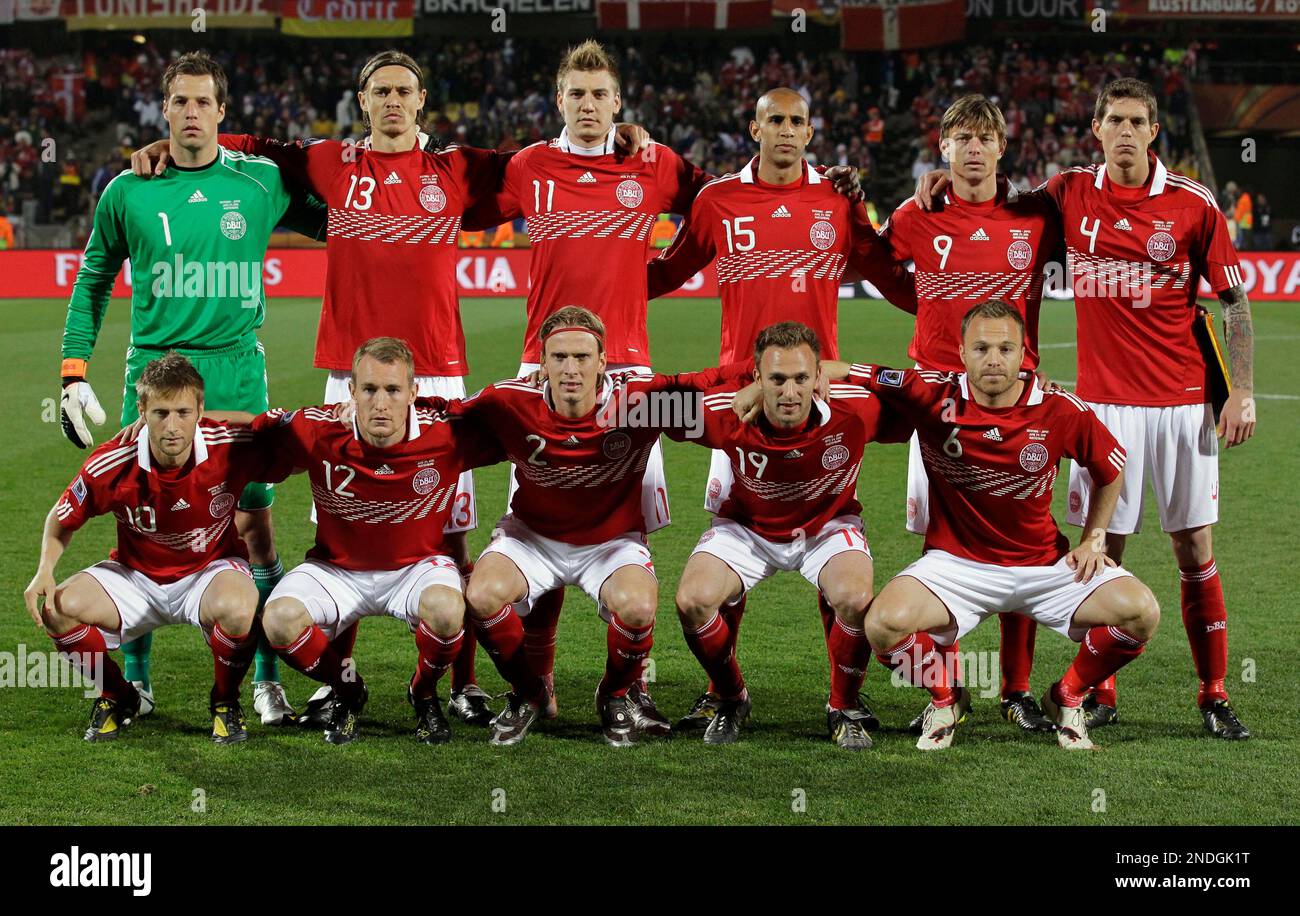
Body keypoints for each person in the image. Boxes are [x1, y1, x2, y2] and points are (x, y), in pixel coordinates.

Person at [130, 50, 651, 730]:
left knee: (453, 529)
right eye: (381, 91)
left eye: (405, 90)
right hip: (352, 373)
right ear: (363, 100)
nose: (394, 101)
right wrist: (168, 145)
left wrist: (623, 138)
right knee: (339, 523)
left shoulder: (458, 168)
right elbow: (253, 146)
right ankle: (335, 683)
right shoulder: (329, 164)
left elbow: (549, 159)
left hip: (436, 370)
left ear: (422, 100)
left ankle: (458, 683)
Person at [914, 79, 1257, 739]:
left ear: (1154, 131)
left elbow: (1234, 301)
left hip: (1183, 406)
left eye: (1137, 121)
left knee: (1194, 547)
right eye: (1114, 121)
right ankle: (1095, 690)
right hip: (1102, 406)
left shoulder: (1192, 203)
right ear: (1095, 128)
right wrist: (945, 175)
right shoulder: (1070, 193)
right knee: (1100, 550)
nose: (1125, 132)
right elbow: (995, 202)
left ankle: (1213, 693)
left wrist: (1238, 390)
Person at [61, 51, 326, 726]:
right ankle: (138, 684)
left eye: (203, 101)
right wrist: (72, 372)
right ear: (164, 109)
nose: (190, 113)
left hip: (237, 371)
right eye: (178, 102)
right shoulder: (127, 190)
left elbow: (340, 218)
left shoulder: (261, 182)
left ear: (221, 111)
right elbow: (93, 280)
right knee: (140, 523)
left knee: (255, 528)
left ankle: (265, 683)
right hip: (153, 376)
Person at [645, 87, 915, 730]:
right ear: (755, 129)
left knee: (834, 549)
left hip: (816, 396)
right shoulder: (719, 201)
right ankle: (725, 692)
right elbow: (668, 271)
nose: (788, 131)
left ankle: (844, 699)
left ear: (811, 132)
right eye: (776, 121)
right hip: (737, 400)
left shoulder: (838, 201)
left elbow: (891, 276)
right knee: (731, 535)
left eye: (798, 121)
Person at [836, 301, 1161, 750]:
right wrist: (788, 379)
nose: (994, 359)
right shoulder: (931, 394)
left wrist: (1094, 538)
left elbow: (1111, 468)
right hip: (956, 567)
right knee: (882, 627)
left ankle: (1066, 695)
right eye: (982, 348)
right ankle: (947, 698)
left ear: (1024, 353)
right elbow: (851, 371)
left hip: (1046, 566)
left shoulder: (1058, 408)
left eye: (1006, 348)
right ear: (961, 352)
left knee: (1142, 613)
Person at [442, 307, 733, 747]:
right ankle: (529, 693)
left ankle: (615, 694)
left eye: (582, 357)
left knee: (636, 609)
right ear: (542, 362)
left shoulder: (637, 403)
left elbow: (704, 385)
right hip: (531, 538)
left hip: (611, 543)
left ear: (602, 361)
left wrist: (766, 380)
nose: (570, 369)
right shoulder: (510, 402)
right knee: (481, 596)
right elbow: (443, 416)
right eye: (558, 357)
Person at [882, 94, 1063, 733]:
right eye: (962, 138)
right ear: (945, 147)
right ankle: (947, 689)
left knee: (1024, 545)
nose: (974, 148)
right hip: (939, 407)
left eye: (986, 136)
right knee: (944, 548)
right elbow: (877, 264)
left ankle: (1015, 689)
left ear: (1002, 146)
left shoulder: (1036, 215)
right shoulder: (916, 214)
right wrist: (923, 299)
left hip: (1019, 407)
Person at [24, 354, 294, 744]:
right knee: (56, 609)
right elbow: (60, 519)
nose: (172, 427)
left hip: (208, 572)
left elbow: (288, 434)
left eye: (184, 412)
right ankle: (118, 695)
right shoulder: (113, 461)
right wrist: (44, 570)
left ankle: (224, 701)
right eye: (161, 412)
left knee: (240, 607)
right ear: (142, 410)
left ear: (201, 409)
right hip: (136, 577)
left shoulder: (229, 446)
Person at [250, 338, 505, 745]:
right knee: (278, 620)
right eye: (369, 390)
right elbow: (249, 429)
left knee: (447, 610)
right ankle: (349, 690)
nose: (380, 402)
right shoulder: (319, 428)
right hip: (336, 568)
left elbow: (511, 418)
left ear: (413, 393)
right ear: (350, 392)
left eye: (393, 390)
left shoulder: (447, 434)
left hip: (417, 567)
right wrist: (173, 423)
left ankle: (423, 694)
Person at [673, 321, 908, 748]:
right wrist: (573, 388)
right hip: (747, 528)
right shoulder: (724, 412)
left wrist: (849, 370)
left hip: (827, 527)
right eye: (776, 379)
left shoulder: (856, 410)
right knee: (692, 601)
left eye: (802, 378)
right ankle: (731, 697)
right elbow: (647, 408)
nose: (789, 393)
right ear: (756, 379)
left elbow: (925, 393)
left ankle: (843, 706)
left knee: (855, 599)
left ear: (819, 377)